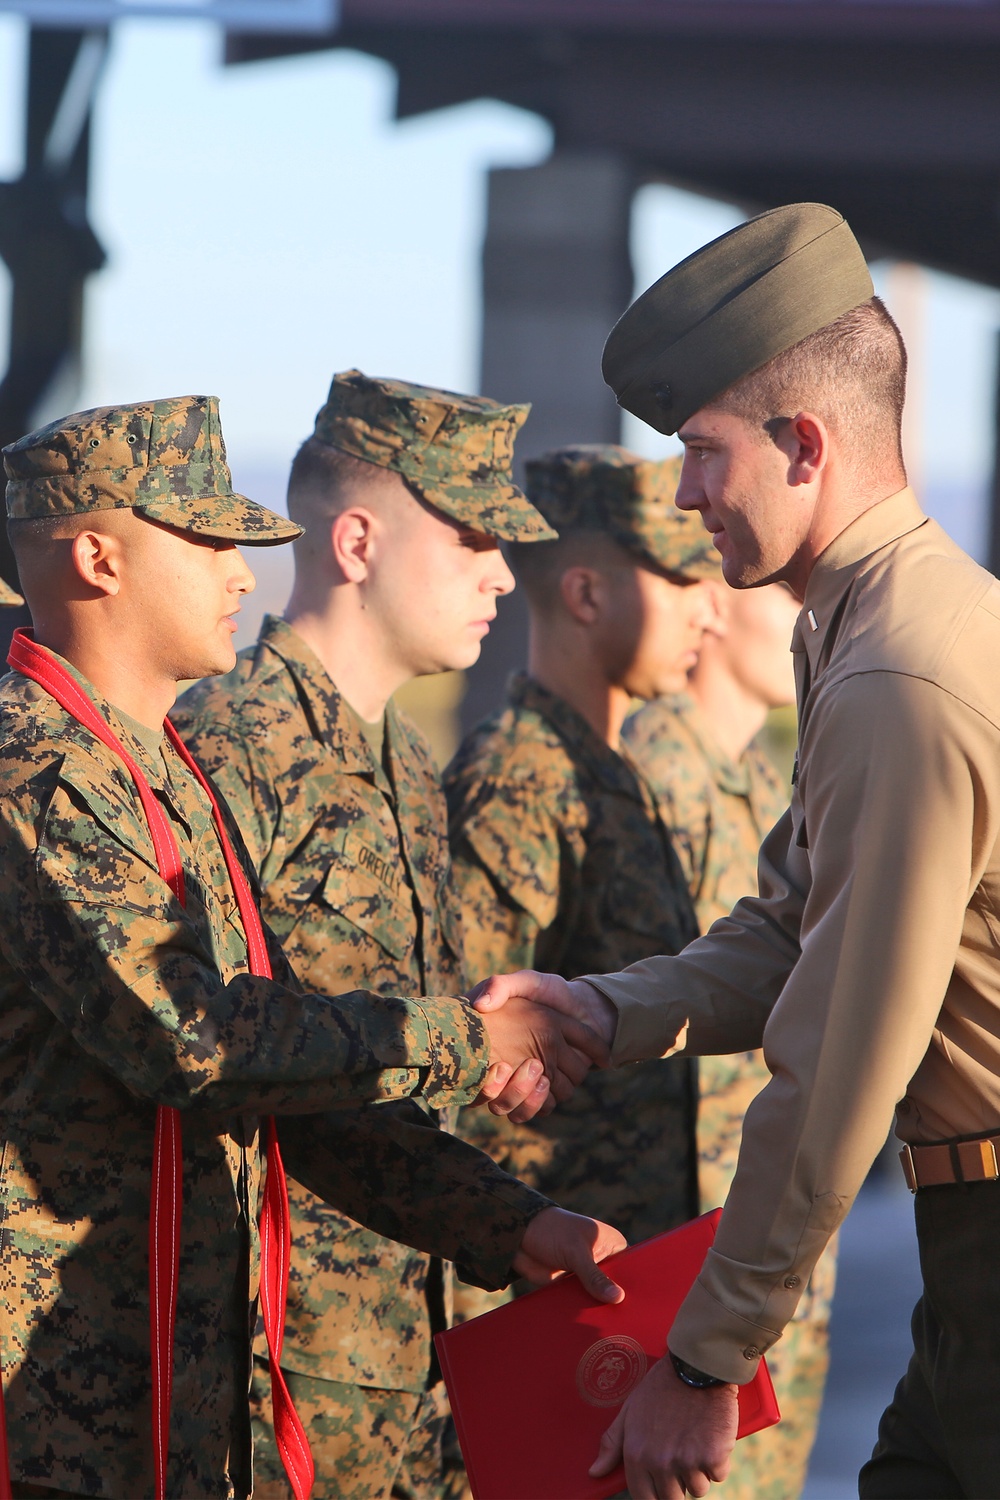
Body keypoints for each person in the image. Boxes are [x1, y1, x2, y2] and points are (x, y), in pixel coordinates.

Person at [0, 395, 624, 1500]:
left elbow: (288, 1087)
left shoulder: (156, 778)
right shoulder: (36, 774)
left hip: (183, 1406)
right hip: (60, 1415)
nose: (245, 571)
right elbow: (187, 1034)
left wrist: (513, 1226)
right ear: (98, 557)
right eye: (205, 540)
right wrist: (465, 1040)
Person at [476, 200, 1000, 1500]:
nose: (688, 495)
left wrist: (705, 1362)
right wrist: (603, 1005)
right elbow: (788, 926)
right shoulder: (879, 621)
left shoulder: (895, 676)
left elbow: (836, 1060)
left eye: (705, 455)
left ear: (806, 443)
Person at [174, 369, 558, 1500]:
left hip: (415, 1353)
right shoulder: (228, 750)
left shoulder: (407, 765)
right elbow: (231, 1056)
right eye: (472, 538)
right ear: (355, 541)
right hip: (275, 1370)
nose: (503, 573)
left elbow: (392, 1064)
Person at [445, 445, 717, 1258]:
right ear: (586, 593)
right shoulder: (517, 779)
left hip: (628, 1253)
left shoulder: (615, 770)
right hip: (550, 1274)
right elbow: (473, 1057)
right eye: (679, 582)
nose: (709, 613)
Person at [624, 577, 832, 1500]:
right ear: (711, 605)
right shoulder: (646, 771)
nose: (803, 619)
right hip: (678, 1255)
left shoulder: (766, 777)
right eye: (780, 597)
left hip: (762, 1254)